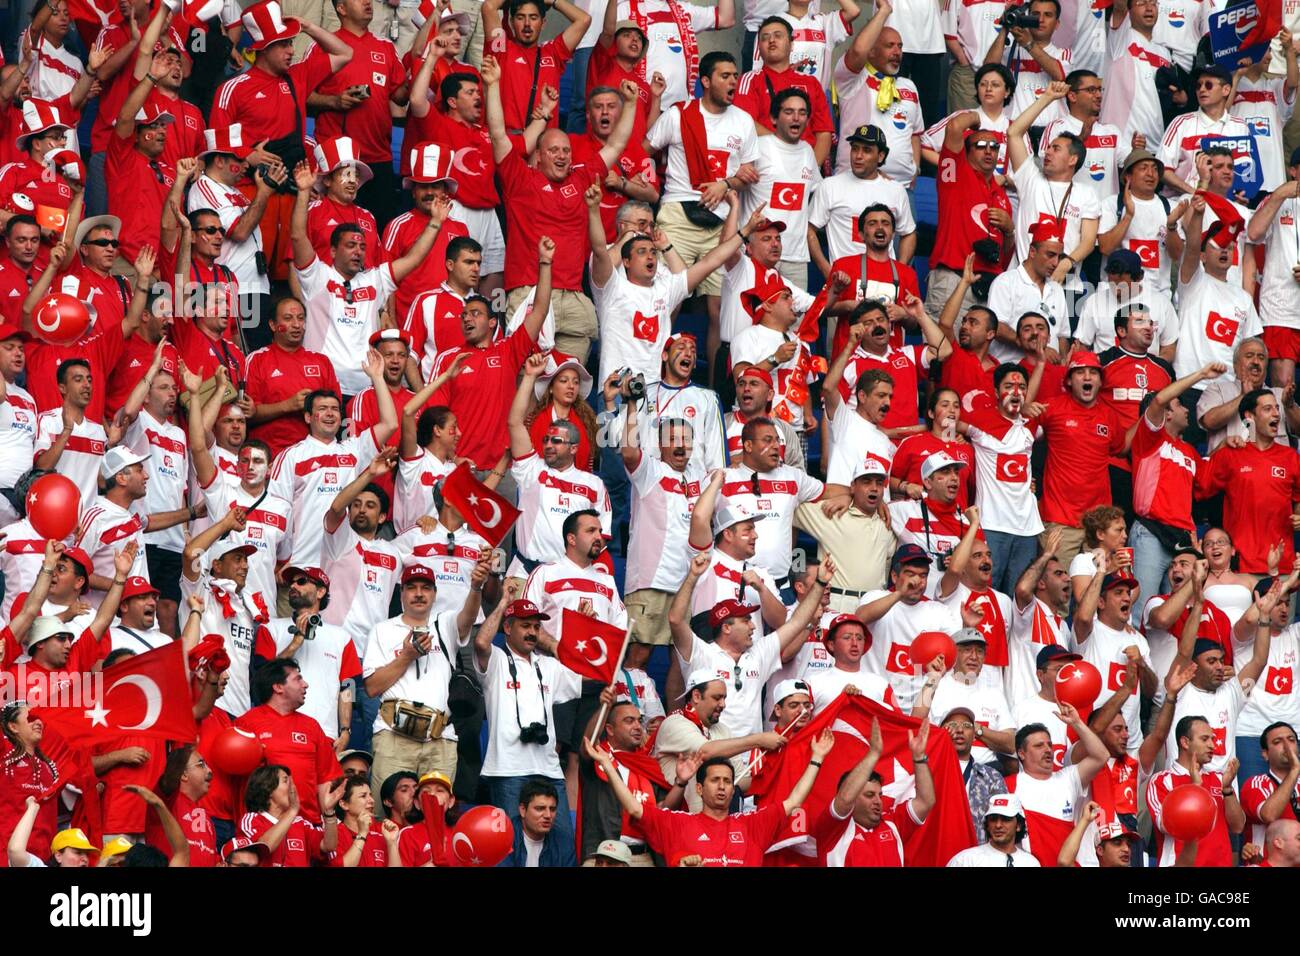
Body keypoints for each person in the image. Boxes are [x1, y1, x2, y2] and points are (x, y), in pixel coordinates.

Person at [208, 0, 354, 284]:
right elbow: (216, 145)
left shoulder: (297, 77)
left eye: (291, 43)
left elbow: (345, 52)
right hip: (251, 192)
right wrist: (248, 156)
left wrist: (309, 27)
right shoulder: (233, 88)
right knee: (249, 272)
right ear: (263, 48)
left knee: (287, 276)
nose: (290, 50)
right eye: (283, 44)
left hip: (290, 194)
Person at [643, 51, 760, 377]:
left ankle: (712, 388)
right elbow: (644, 150)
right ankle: (654, 376)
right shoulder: (680, 115)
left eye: (735, 76)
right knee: (668, 300)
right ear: (705, 81)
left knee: (717, 308)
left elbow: (749, 173)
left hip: (722, 222)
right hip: (678, 213)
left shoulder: (743, 121)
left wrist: (725, 184)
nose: (733, 82)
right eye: (725, 76)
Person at [585, 728, 834, 867]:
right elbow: (635, 809)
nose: (722, 787)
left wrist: (817, 758)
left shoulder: (751, 825)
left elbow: (793, 801)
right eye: (715, 780)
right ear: (700, 789)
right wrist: (608, 764)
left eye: (727, 781)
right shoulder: (678, 823)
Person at [670, 548, 835, 736]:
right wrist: (692, 576)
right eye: (746, 620)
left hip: (750, 759)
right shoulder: (701, 653)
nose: (754, 627)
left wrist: (820, 583)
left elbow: (797, 622)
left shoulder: (759, 654)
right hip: (712, 754)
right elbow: (675, 619)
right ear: (726, 628)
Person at [364, 557, 489, 793]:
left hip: (439, 740)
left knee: (435, 820)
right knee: (387, 818)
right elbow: (371, 687)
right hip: (393, 737)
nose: (419, 594)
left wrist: (475, 587)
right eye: (411, 587)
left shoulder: (445, 623)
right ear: (401, 594)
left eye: (425, 588)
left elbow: (469, 617)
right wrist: (407, 656)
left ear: (435, 593)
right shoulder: (382, 629)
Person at [268, 352, 395, 570]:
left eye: (335, 409)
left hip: (341, 565)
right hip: (300, 564)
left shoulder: (353, 449)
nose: (330, 414)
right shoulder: (292, 456)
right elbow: (276, 509)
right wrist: (280, 561)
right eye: (322, 409)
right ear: (308, 417)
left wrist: (377, 378)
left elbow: (390, 424)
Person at [578, 691, 698, 863]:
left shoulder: (647, 765)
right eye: (629, 721)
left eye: (639, 720)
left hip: (641, 857)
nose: (637, 726)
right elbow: (587, 744)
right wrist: (605, 708)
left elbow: (661, 808)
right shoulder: (598, 758)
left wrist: (681, 782)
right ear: (610, 729)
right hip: (603, 856)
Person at [1197, 389, 1300, 576]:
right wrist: (1219, 448)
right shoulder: (1230, 455)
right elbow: (1199, 487)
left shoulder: (1291, 457)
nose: (1276, 413)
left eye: (1277, 408)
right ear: (1249, 416)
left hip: (1281, 566)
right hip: (1240, 568)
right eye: (1268, 409)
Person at [254, 566, 361, 744]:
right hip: (277, 728)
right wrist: (294, 644)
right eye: (291, 582)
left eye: (301, 581)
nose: (293, 586)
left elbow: (348, 688)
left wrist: (345, 731)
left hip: (324, 733)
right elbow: (262, 679)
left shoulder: (342, 637)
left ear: (320, 592)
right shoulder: (271, 628)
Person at [924, 114, 1014, 320]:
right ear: (966, 150)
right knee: (943, 350)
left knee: (977, 354)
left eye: (994, 146)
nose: (989, 150)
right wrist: (976, 119)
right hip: (952, 279)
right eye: (981, 145)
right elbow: (954, 126)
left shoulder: (1001, 196)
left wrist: (1009, 230)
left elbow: (1005, 258)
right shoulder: (954, 176)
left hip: (988, 287)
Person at [814, 716, 934, 866]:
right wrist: (874, 753)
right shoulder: (833, 829)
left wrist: (919, 757)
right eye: (869, 795)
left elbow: (925, 801)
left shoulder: (892, 824)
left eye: (880, 795)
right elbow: (844, 799)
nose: (878, 801)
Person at [809, 124, 916, 277]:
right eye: (855, 148)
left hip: (885, 282)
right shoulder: (830, 186)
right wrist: (827, 270)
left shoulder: (896, 190)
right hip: (844, 283)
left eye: (867, 150)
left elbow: (909, 233)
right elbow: (809, 230)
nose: (858, 155)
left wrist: (899, 270)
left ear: (880, 156)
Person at [244, 296, 343, 457]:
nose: (297, 325)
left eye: (301, 318)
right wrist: (287, 405)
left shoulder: (321, 362)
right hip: (270, 455)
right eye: (288, 319)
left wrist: (315, 406)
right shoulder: (256, 360)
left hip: (314, 456)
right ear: (273, 325)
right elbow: (247, 415)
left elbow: (336, 410)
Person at [734, 19, 834, 166]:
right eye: (765, 37)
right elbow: (743, 123)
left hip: (805, 167)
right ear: (759, 48)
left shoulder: (811, 83)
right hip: (765, 165)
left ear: (791, 44)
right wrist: (786, 148)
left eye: (778, 35)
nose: (771, 40)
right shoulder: (749, 80)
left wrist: (810, 170)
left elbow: (824, 132)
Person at [1147, 716, 1244, 866]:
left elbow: (1237, 826)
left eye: (1212, 739)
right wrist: (1195, 788)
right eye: (1205, 739)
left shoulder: (1219, 778)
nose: (1212, 745)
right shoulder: (1162, 780)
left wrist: (1227, 790)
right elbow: (1165, 825)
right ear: (1185, 742)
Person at [833, 20, 922, 184]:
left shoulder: (909, 86)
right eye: (890, 46)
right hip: (856, 182)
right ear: (871, 51)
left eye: (900, 46)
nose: (897, 52)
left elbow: (915, 134)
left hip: (902, 186)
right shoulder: (853, 80)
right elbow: (858, 52)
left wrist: (915, 169)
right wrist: (883, 12)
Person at [1095, 154, 1185, 300]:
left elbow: (1177, 256)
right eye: (1143, 168)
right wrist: (1128, 215)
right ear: (1128, 177)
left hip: (1158, 296)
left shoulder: (1170, 208)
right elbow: (1105, 247)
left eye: (1155, 169)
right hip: (1116, 295)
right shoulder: (1111, 204)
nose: (1150, 173)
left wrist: (1171, 225)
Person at [1247, 154, 1300, 390]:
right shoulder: (1275, 200)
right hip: (1282, 308)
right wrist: (1279, 195)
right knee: (1283, 384)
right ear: (1293, 171)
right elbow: (1253, 233)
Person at [1037, 70, 1124, 196]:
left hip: (1108, 213)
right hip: (1072, 211)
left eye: (1100, 90)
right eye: (1091, 90)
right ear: (1072, 96)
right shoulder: (1056, 128)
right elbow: (1045, 166)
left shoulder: (1112, 131)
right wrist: (1080, 139)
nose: (1099, 95)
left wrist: (1137, 151)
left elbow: (1128, 164)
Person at [1242, 722, 1300, 846]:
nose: (1286, 746)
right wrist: (1295, 770)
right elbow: (1269, 815)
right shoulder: (1255, 783)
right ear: (1265, 754)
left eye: (1291, 740)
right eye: (1277, 742)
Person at [499, 778, 576, 868]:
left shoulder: (564, 842)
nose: (548, 815)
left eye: (552, 809)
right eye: (540, 808)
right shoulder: (503, 838)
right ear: (522, 810)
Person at [946, 793, 1040, 866]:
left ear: (1018, 825)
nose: (998, 825)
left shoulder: (1031, 863)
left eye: (1006, 819)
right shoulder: (965, 860)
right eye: (993, 819)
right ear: (987, 824)